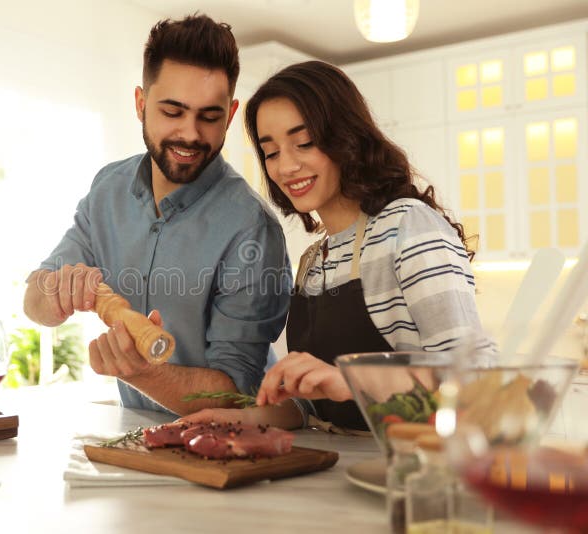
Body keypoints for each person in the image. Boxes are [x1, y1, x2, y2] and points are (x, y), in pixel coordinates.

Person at [182, 60, 494, 431]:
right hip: (337, 472)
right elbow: (316, 408)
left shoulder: (406, 226)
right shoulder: (313, 260)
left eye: (304, 143)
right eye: (272, 152)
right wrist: (237, 419)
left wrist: (354, 381)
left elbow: (476, 379)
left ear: (345, 136)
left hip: (411, 469)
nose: (286, 167)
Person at [23, 14, 292, 415]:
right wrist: (58, 294)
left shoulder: (251, 229)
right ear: (140, 103)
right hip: (136, 434)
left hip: (225, 444)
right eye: (172, 111)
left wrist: (141, 373)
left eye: (209, 116)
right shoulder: (107, 190)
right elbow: (33, 298)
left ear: (231, 114)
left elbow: (237, 391)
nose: (190, 133)